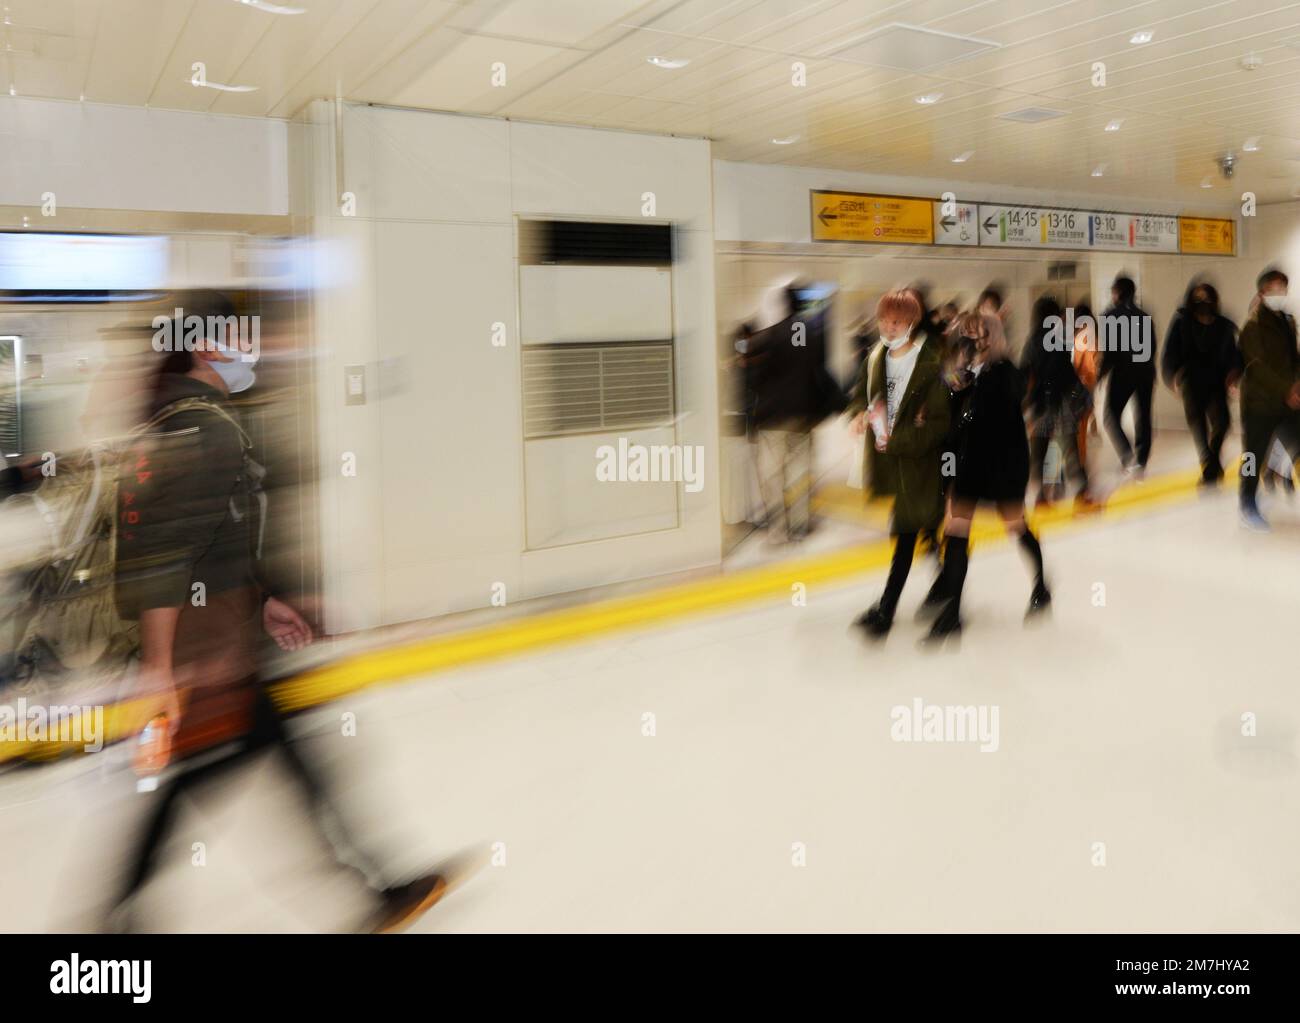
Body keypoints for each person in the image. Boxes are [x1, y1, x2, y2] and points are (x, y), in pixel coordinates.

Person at [109, 290, 445, 932]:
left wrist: (268, 602)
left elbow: (221, 537)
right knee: (203, 780)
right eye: (240, 338)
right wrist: (161, 668)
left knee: (281, 764)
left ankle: (375, 893)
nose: (253, 351)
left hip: (227, 648)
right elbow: (160, 554)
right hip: (206, 659)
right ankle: (116, 922)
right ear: (207, 345)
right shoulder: (198, 428)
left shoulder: (194, 417)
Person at [926, 312, 1050, 644]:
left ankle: (1041, 584)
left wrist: (970, 384)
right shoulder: (964, 371)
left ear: (992, 336)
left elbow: (1004, 402)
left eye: (978, 334)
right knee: (956, 527)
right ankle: (952, 611)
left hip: (1005, 461)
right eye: (966, 333)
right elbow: (953, 412)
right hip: (971, 460)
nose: (971, 339)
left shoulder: (1006, 371)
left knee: (1014, 524)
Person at [846, 289, 950, 638]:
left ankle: (886, 612)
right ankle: (946, 587)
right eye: (884, 320)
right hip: (890, 465)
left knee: (906, 534)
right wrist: (858, 415)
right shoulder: (875, 358)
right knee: (924, 533)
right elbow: (861, 395)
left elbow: (938, 425)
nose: (889, 327)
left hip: (921, 467)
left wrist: (899, 439)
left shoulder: (930, 365)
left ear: (911, 323)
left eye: (897, 321)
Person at [747, 285, 840, 543]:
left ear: (782, 306)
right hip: (803, 415)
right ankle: (800, 525)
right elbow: (819, 374)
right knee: (800, 471)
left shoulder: (768, 337)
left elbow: (755, 379)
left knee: (772, 475)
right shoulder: (814, 336)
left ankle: (778, 529)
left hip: (773, 417)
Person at [1160, 280, 1241, 486]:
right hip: (1191, 381)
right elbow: (1170, 352)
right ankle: (1209, 464)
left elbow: (1234, 354)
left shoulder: (1223, 325)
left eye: (1206, 297)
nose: (1202, 301)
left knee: (1222, 423)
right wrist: (1173, 377)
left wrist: (1234, 375)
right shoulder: (1181, 322)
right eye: (1198, 298)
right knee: (1198, 427)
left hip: (1216, 381)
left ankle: (1211, 461)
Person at [1237, 269, 1300, 530]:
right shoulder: (1253, 326)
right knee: (1252, 455)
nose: (1280, 294)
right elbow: (1256, 366)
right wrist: (1287, 389)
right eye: (1274, 288)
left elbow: (1293, 357)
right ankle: (1247, 501)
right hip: (1259, 403)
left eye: (1283, 288)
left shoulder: (1287, 321)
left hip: (1287, 401)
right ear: (1262, 293)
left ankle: (1278, 467)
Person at [1021, 296, 1094, 509]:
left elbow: (1026, 374)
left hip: (1040, 404)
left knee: (1040, 452)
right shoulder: (1055, 339)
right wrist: (1080, 394)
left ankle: (1041, 497)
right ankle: (1082, 491)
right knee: (1069, 449)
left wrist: (1027, 403)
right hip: (1059, 403)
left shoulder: (1032, 340)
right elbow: (1065, 371)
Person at [1098, 275, 1157, 480]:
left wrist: (1100, 375)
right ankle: (1140, 462)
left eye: (1113, 291)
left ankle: (1127, 456)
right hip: (1145, 373)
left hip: (1122, 373)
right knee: (1143, 417)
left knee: (1110, 416)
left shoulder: (1110, 316)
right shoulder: (1144, 316)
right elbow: (1152, 348)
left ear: (1118, 292)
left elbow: (1109, 352)